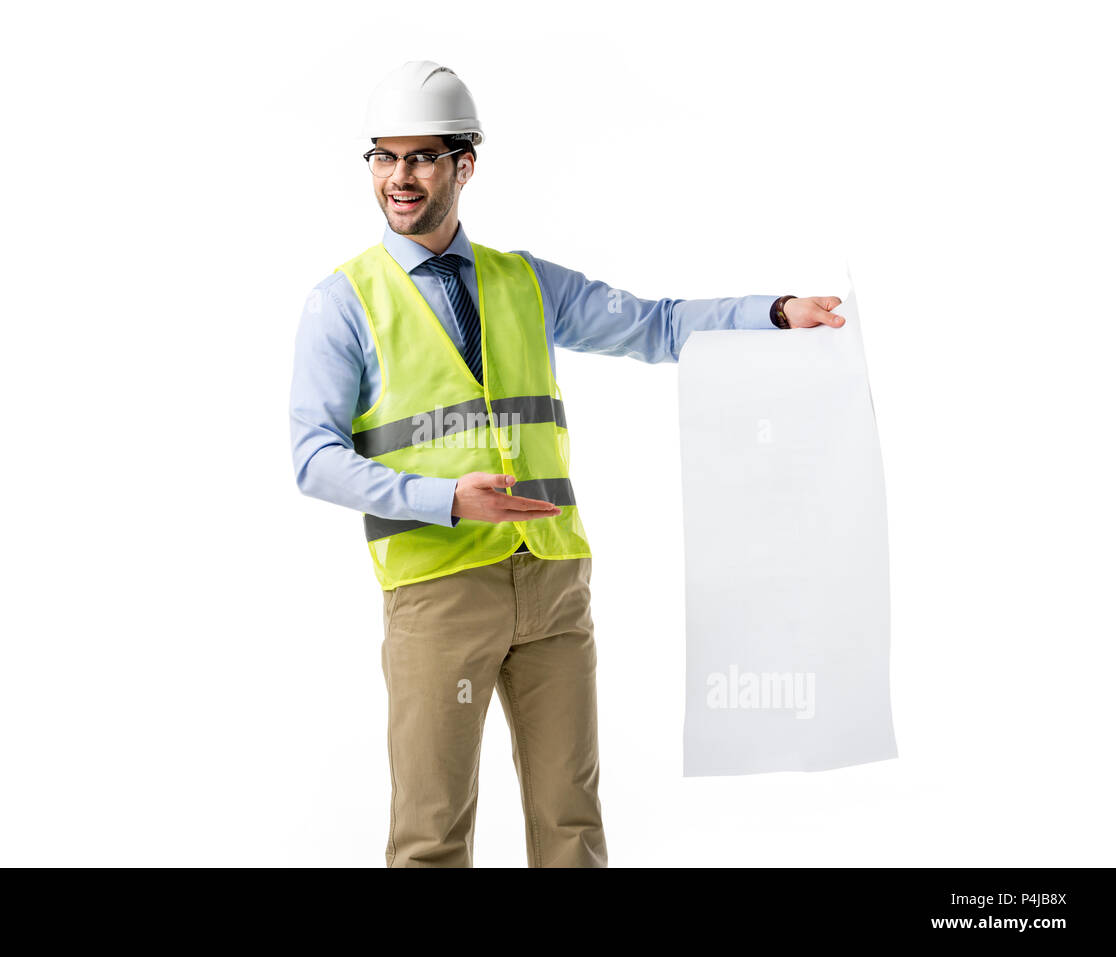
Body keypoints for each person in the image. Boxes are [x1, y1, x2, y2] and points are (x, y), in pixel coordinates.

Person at [289, 60, 845, 868]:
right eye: (384, 156)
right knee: (431, 835)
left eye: (421, 157)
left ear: (464, 164)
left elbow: (653, 326)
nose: (399, 177)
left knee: (573, 827)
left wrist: (770, 313)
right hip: (438, 594)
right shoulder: (344, 301)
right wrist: (445, 499)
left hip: (553, 587)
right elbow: (313, 458)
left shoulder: (525, 283)